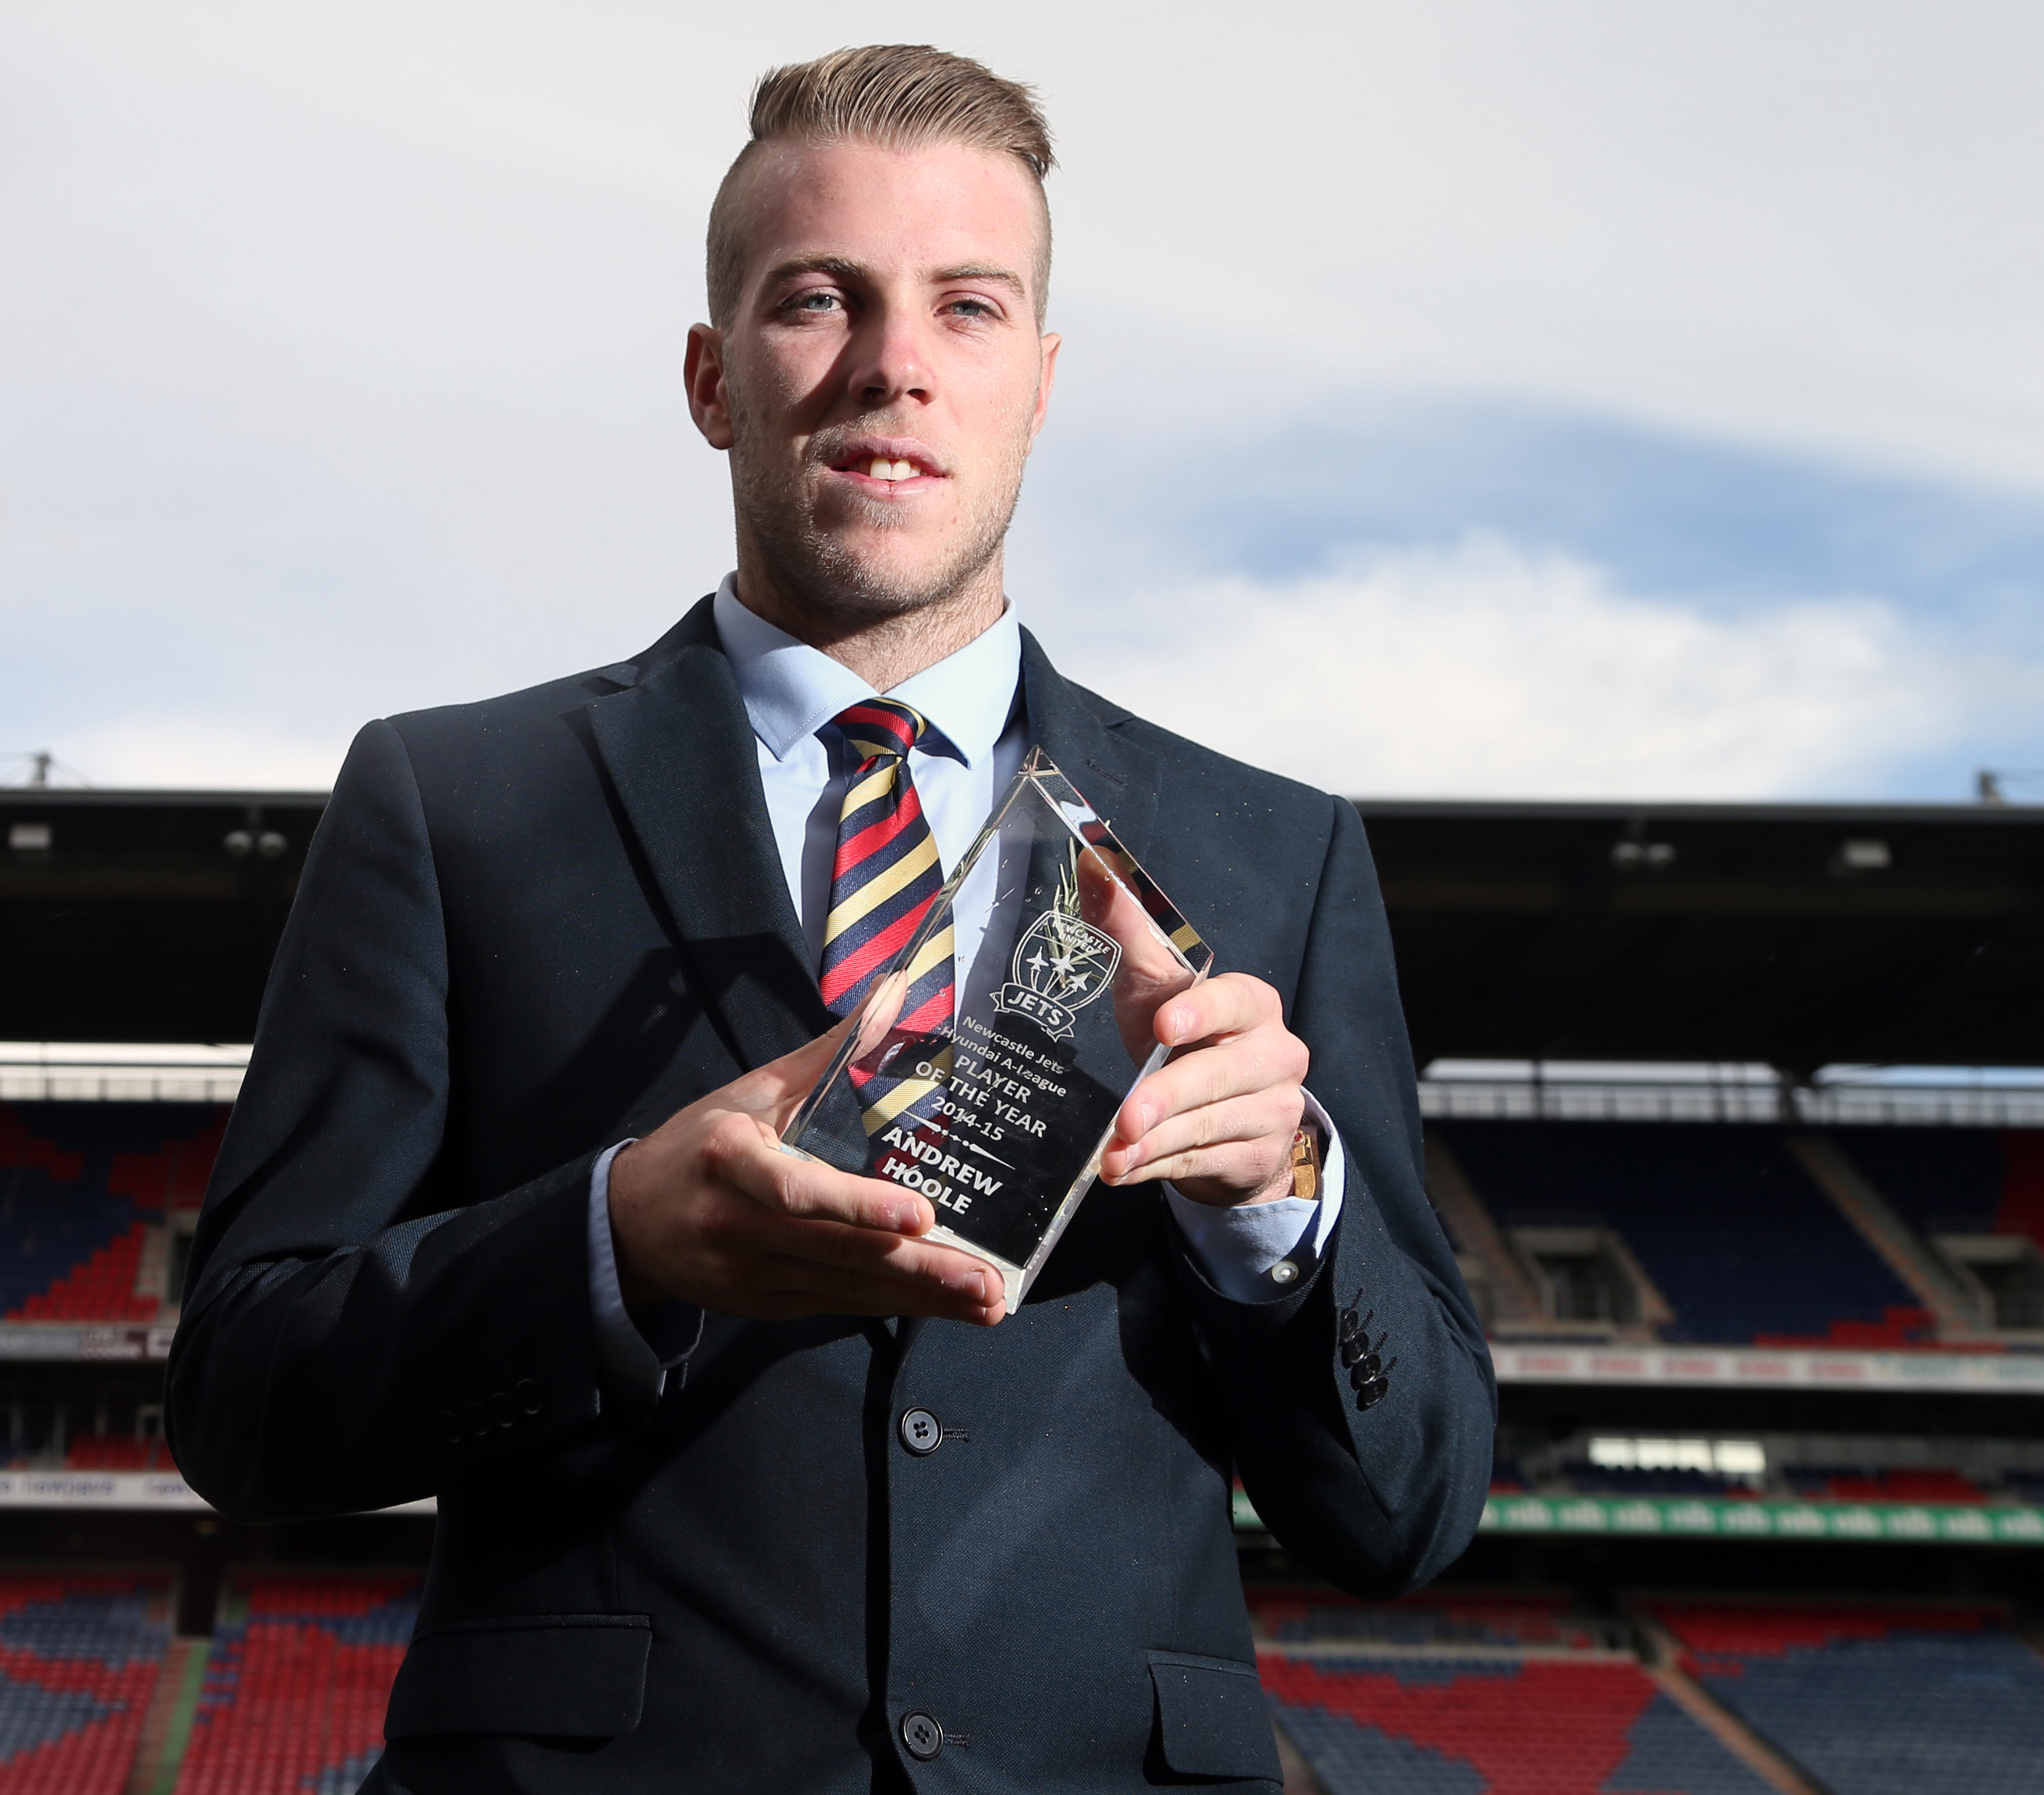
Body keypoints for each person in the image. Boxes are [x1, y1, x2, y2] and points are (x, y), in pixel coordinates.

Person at [169, 44, 1493, 1794]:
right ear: (712, 378)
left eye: (967, 306)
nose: (894, 365)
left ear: (1041, 381)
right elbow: (245, 1398)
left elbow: (1411, 1511)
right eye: (820, 299)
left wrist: (1282, 1204)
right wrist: (611, 1243)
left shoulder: (1276, 852)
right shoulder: (452, 803)